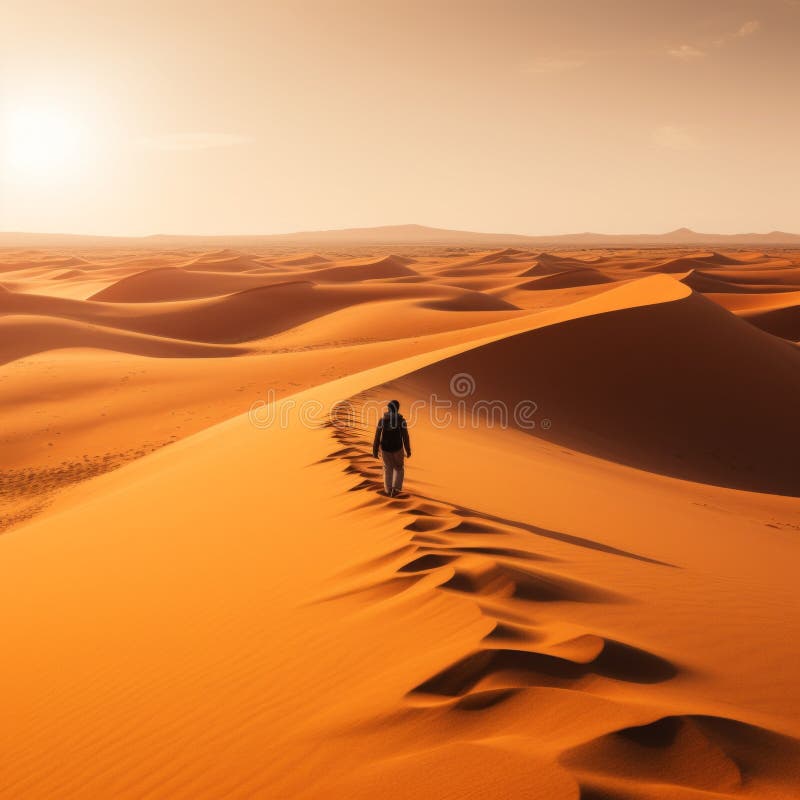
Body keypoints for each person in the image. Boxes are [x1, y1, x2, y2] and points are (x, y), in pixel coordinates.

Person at [372, 399, 411, 497]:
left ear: (389, 409)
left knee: (387, 469)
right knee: (399, 468)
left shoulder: (382, 420)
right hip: (398, 448)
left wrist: (375, 450)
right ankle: (396, 489)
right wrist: (408, 450)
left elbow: (377, 436)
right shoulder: (401, 421)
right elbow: (405, 436)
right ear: (397, 409)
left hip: (385, 449)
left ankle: (388, 490)